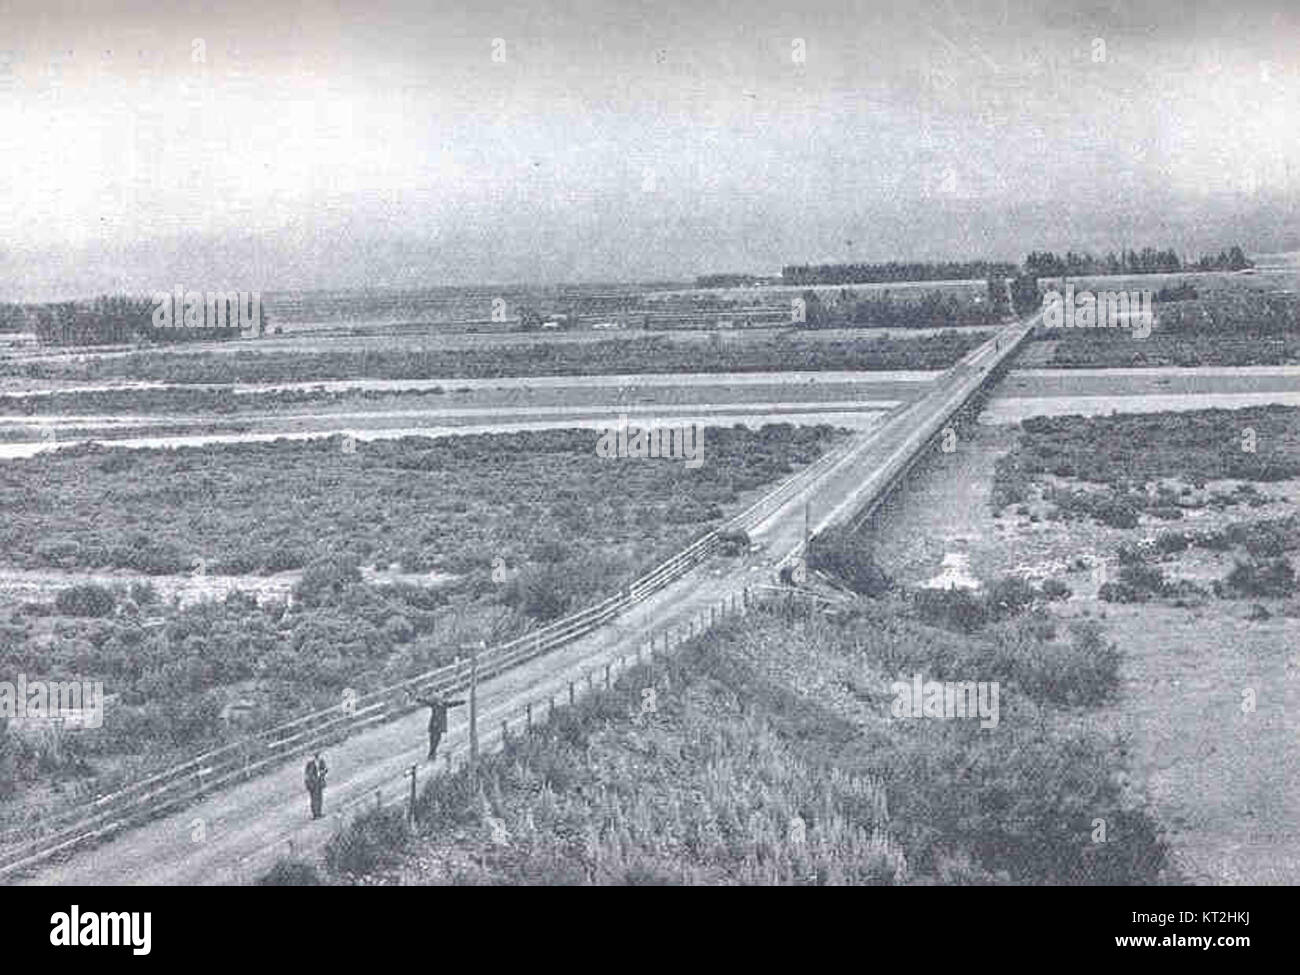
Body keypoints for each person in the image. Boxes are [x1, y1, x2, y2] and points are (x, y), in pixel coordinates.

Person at [414, 694, 465, 762]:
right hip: (436, 724)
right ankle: (432, 753)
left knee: (436, 739)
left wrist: (462, 702)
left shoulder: (443, 704)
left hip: (438, 725)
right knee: (433, 739)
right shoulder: (436, 704)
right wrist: (419, 699)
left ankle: (432, 753)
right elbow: (425, 701)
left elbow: (454, 703)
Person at [304, 752, 327, 819]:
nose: (316, 757)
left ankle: (319, 813)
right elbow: (308, 774)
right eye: (315, 755)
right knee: (314, 798)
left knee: (319, 797)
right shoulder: (310, 763)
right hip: (313, 783)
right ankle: (315, 814)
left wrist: (322, 772)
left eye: (317, 755)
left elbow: (325, 769)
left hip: (319, 781)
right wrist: (309, 782)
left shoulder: (321, 761)